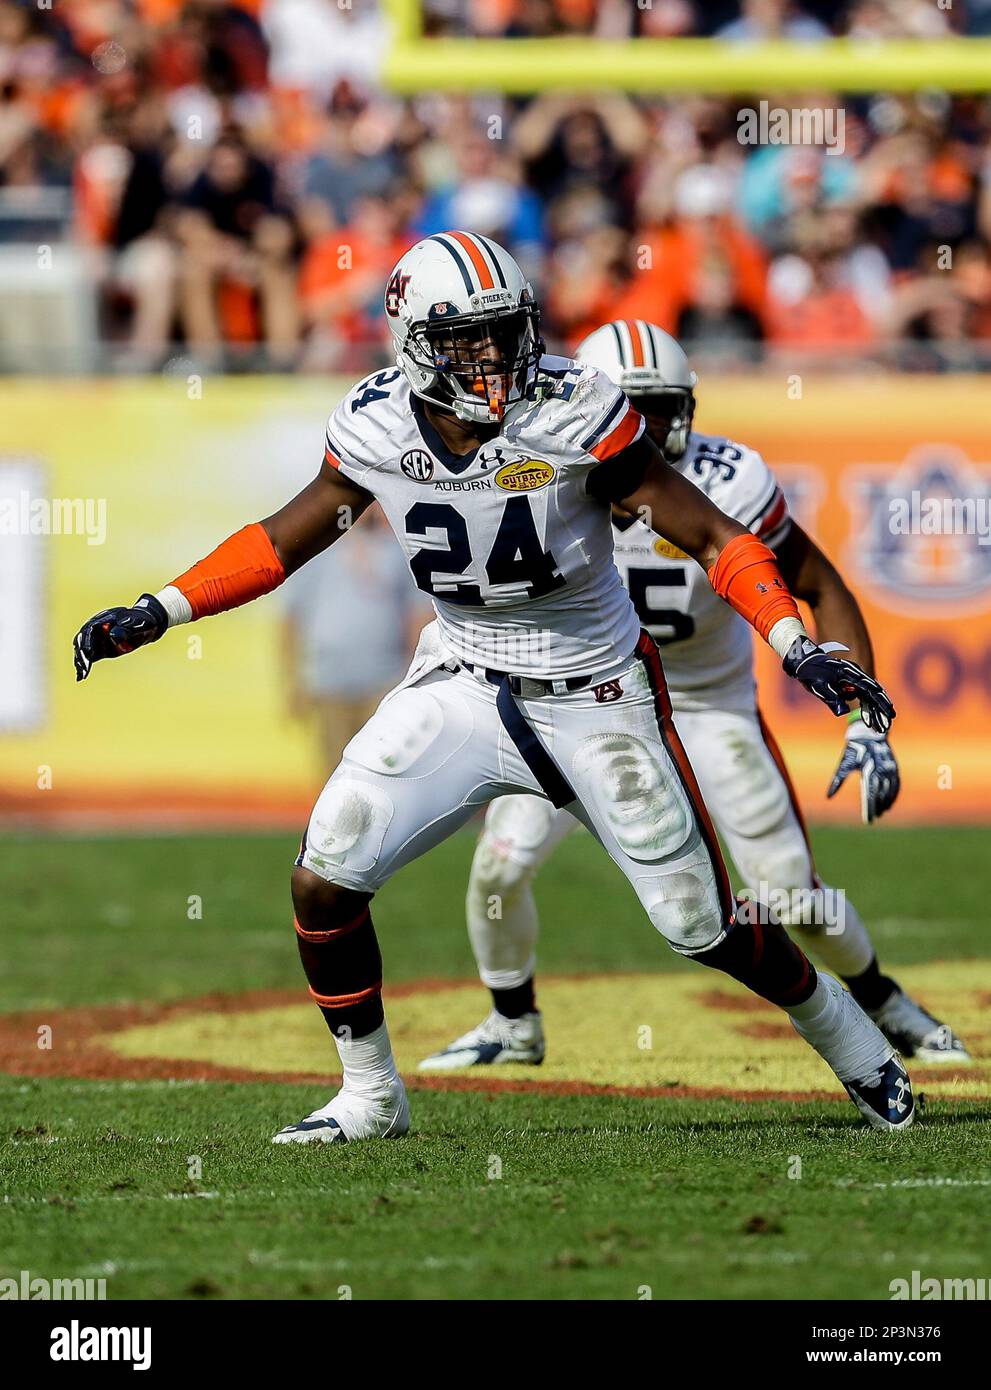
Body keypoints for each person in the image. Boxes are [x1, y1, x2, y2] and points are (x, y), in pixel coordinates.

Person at [73, 231, 914, 1144]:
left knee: (700, 925)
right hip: (465, 677)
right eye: (467, 339)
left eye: (505, 332)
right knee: (326, 871)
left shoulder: (575, 410)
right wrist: (162, 608)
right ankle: (370, 1094)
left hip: (595, 690)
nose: (494, 357)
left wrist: (793, 644)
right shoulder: (376, 422)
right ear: (414, 343)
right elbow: (283, 539)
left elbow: (713, 537)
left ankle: (853, 1040)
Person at [419, 321, 969, 1075]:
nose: (645, 429)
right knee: (499, 867)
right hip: (580, 702)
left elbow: (817, 585)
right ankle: (511, 1023)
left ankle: (884, 1002)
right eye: (629, 410)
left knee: (790, 899)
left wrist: (859, 722)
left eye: (660, 409)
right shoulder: (536, 465)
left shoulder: (725, 479)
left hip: (705, 706)